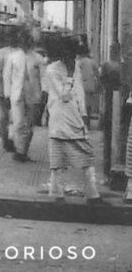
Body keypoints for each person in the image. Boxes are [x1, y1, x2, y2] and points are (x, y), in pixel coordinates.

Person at [44, 37, 102, 204]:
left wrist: (84, 115)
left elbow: (80, 93)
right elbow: (64, 95)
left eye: (72, 55)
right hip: (59, 117)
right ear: (61, 55)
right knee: (57, 160)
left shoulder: (76, 67)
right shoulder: (52, 70)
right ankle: (56, 194)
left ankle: (92, 194)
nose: (70, 58)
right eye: (66, 55)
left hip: (75, 117)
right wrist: (69, 75)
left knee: (87, 155)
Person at [3, 28, 42, 162]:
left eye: (28, 41)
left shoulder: (38, 59)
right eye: (24, 41)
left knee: (30, 125)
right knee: (18, 122)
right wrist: (7, 94)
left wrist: (44, 95)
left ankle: (24, 150)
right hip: (16, 93)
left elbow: (44, 78)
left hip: (33, 94)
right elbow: (7, 77)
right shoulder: (13, 57)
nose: (26, 44)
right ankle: (19, 151)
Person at [0, 25, 19, 152]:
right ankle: (7, 139)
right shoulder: (6, 52)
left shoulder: (2, 52)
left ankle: (8, 140)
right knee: (8, 116)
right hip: (7, 90)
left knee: (5, 116)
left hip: (7, 89)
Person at [76, 44, 99, 126]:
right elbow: (97, 73)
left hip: (82, 85)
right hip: (91, 85)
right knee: (89, 104)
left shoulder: (79, 62)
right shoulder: (92, 62)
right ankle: (88, 121)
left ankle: (83, 122)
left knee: (82, 104)